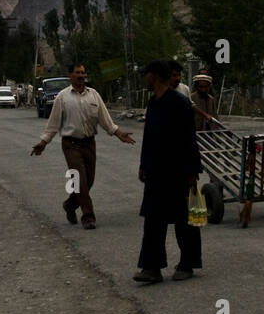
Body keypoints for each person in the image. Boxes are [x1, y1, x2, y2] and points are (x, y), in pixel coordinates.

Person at [31, 62, 135, 229]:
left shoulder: (93, 95)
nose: (81, 76)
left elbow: (105, 119)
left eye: (83, 73)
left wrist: (118, 133)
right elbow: (53, 124)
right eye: (78, 73)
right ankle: (88, 216)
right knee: (79, 179)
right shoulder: (62, 97)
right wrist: (43, 142)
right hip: (70, 144)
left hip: (89, 143)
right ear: (71, 76)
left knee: (89, 181)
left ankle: (70, 205)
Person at [134, 59, 203, 284]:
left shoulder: (179, 102)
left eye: (147, 74)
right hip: (156, 172)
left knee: (185, 220)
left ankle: (188, 263)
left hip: (179, 171)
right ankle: (151, 268)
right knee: (153, 220)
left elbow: (189, 139)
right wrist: (144, 165)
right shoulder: (153, 102)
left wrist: (193, 171)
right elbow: (149, 137)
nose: (145, 78)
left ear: (155, 75)